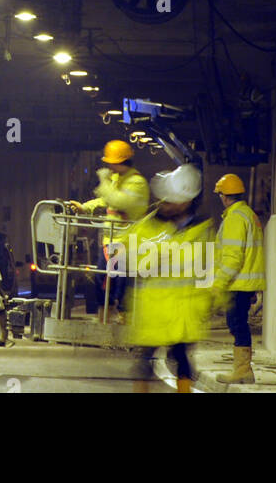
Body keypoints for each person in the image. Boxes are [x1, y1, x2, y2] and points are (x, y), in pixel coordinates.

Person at [123, 163, 213, 392]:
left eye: (170, 200)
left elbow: (210, 271)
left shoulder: (202, 231)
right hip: (154, 313)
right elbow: (132, 258)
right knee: (142, 366)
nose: (164, 203)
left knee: (183, 364)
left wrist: (208, 303)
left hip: (184, 315)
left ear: (186, 202)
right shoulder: (148, 227)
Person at [68, 140, 149, 314]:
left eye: (110, 162)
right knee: (101, 280)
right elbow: (106, 200)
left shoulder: (137, 182)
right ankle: (106, 317)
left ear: (120, 162)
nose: (108, 166)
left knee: (121, 285)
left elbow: (118, 200)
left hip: (126, 243)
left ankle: (123, 318)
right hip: (110, 241)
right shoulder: (118, 179)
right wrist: (84, 207)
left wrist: (104, 181)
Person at [211, 173, 267, 384]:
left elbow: (233, 258)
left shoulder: (235, 218)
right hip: (246, 282)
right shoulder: (249, 215)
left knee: (237, 324)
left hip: (238, 283)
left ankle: (243, 370)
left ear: (224, 196)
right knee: (238, 323)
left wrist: (219, 283)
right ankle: (242, 370)